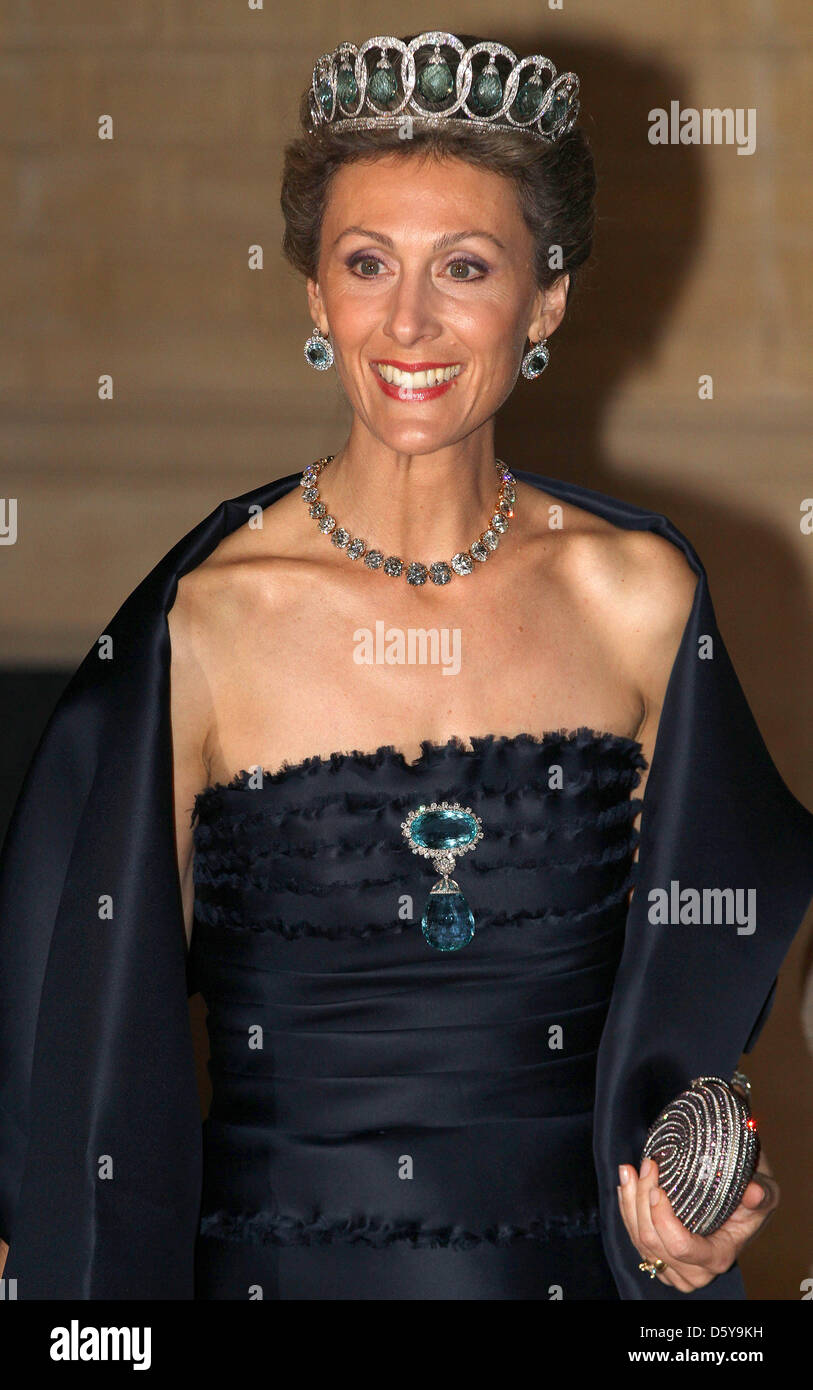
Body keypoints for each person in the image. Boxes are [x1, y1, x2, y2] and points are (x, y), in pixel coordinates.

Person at [0, 30, 811, 1301]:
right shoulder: (206, 626)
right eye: (366, 264)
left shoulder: (641, 600)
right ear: (314, 298)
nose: (410, 321)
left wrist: (706, 1165)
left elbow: (709, 974)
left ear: (546, 303)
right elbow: (84, 1054)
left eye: (466, 267)